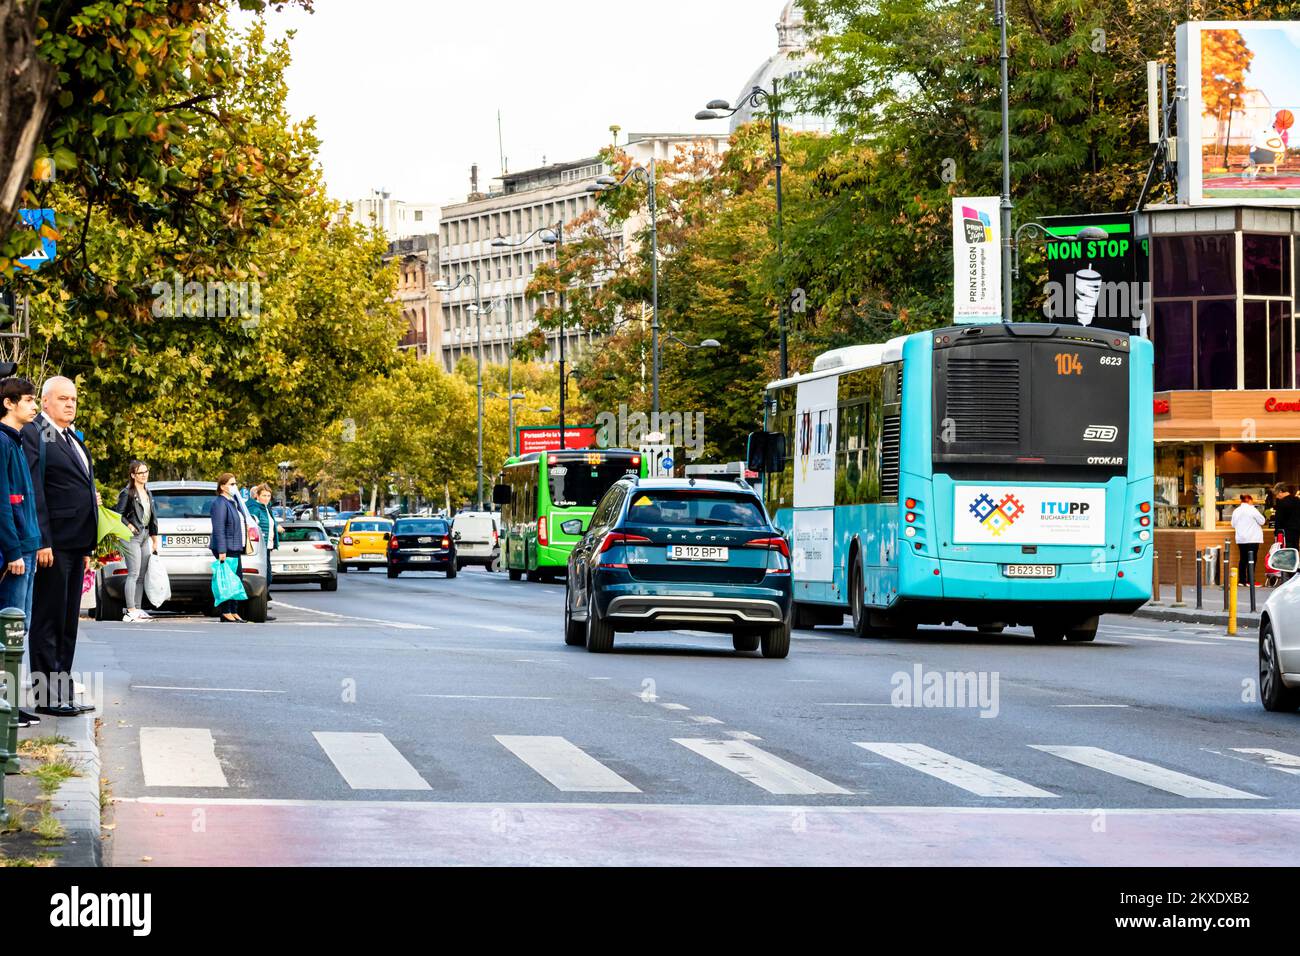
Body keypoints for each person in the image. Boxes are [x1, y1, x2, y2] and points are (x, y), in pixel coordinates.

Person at [22, 376, 98, 716]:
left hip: (76, 542)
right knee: (48, 621)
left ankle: (62, 691)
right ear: (46, 401)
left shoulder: (71, 438)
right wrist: (43, 540)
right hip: (53, 544)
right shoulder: (36, 432)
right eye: (63, 399)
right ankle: (45, 697)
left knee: (69, 622)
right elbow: (36, 489)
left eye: (74, 399)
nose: (70, 404)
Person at [0, 378, 43, 726]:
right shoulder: (2, 442)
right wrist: (13, 550)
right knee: (9, 629)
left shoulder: (16, 441)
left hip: (26, 547)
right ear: (8, 403)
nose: (34, 406)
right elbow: (3, 502)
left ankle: (11, 703)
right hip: (15, 551)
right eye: (28, 400)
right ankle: (5, 705)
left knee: (19, 628)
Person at [114, 460, 159, 623]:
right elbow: (118, 515)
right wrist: (129, 525)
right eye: (141, 472)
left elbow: (152, 517)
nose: (144, 475)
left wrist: (154, 539)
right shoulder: (127, 493)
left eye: (146, 471)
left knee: (141, 574)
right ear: (133, 475)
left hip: (145, 535)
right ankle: (130, 610)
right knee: (133, 573)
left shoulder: (148, 492)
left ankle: (138, 609)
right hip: (131, 536)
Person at [209, 473, 247, 623]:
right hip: (226, 548)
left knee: (236, 580)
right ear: (222, 486)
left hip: (234, 546)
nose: (234, 486)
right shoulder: (219, 503)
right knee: (226, 581)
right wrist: (222, 551)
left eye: (235, 483)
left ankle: (234, 611)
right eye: (231, 484)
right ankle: (226, 611)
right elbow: (219, 528)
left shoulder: (232, 502)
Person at [246, 483, 278, 622]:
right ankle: (260, 607)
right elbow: (253, 523)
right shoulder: (255, 508)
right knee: (266, 577)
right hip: (261, 547)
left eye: (268, 496)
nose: (266, 498)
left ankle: (263, 605)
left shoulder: (266, 508)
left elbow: (270, 525)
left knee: (268, 577)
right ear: (257, 496)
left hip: (268, 547)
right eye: (264, 495)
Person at [1231, 493, 1266, 586]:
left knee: (1243, 559)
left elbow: (1233, 524)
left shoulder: (1236, 511)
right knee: (1252, 559)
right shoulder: (1252, 509)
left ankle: (1242, 581)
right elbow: (1262, 521)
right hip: (1252, 538)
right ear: (1249, 500)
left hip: (1241, 539)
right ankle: (1250, 581)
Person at [1272, 482, 1300, 551]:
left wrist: (1276, 533)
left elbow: (1278, 520)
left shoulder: (1282, 503)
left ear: (1281, 492)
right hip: (1296, 532)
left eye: (1277, 494)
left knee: (1285, 552)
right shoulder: (1297, 500)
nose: (1276, 496)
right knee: (1294, 550)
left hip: (1285, 532)